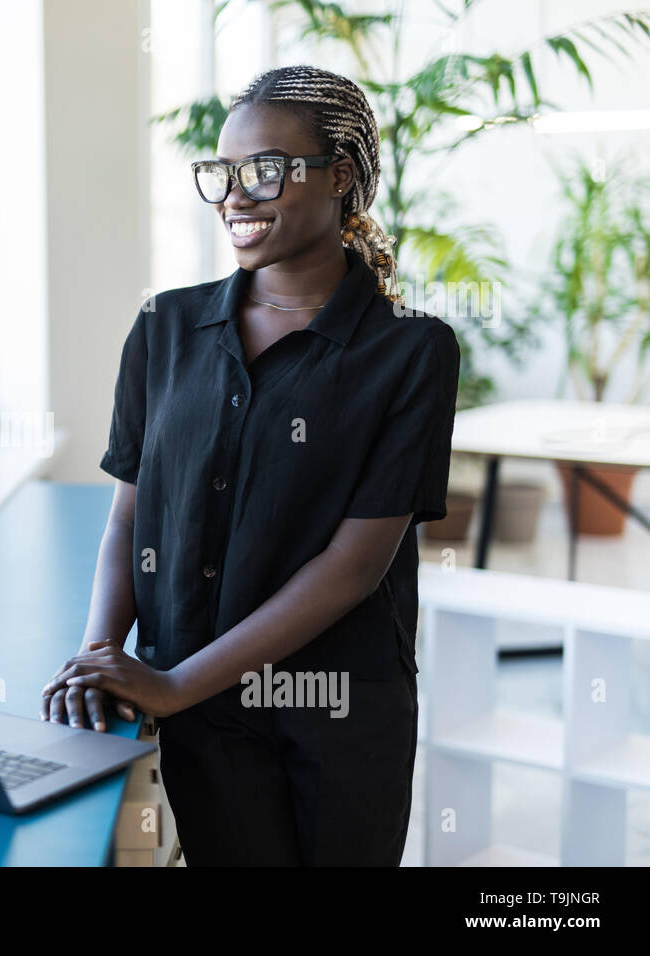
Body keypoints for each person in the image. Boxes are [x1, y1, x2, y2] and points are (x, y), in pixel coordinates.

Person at [38, 65, 461, 866]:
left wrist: (170, 686)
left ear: (339, 178)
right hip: (204, 712)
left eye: (264, 169)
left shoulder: (411, 350)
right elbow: (131, 516)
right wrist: (102, 654)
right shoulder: (164, 327)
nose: (236, 194)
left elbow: (353, 566)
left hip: (336, 712)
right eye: (222, 173)